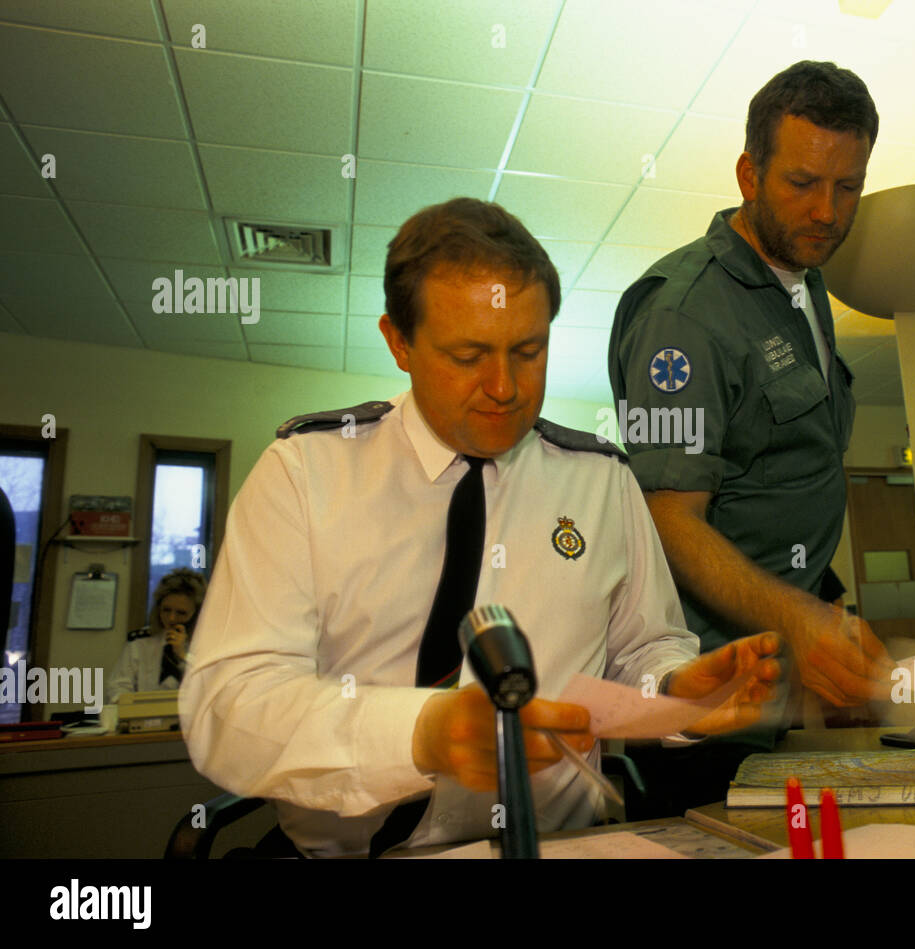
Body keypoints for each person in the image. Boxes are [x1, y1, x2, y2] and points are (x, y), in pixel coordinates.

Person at [180, 198, 780, 858]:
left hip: (557, 846)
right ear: (398, 341)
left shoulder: (601, 479)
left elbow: (641, 650)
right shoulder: (305, 473)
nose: (504, 386)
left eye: (528, 350)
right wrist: (421, 732)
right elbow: (228, 708)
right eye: (468, 355)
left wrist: (674, 688)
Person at [607, 61, 895, 811]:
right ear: (748, 173)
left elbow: (783, 481)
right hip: (698, 702)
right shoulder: (684, 315)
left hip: (773, 682)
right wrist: (799, 620)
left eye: (848, 186)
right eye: (803, 182)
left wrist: (830, 616)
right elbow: (667, 521)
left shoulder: (804, 282)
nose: (827, 211)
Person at [107, 567, 206, 704]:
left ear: (196, 614)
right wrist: (130, 707)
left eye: (181, 613)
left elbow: (208, 686)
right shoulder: (140, 641)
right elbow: (118, 686)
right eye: (166, 610)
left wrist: (183, 655)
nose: (171, 618)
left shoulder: (207, 643)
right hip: (143, 715)